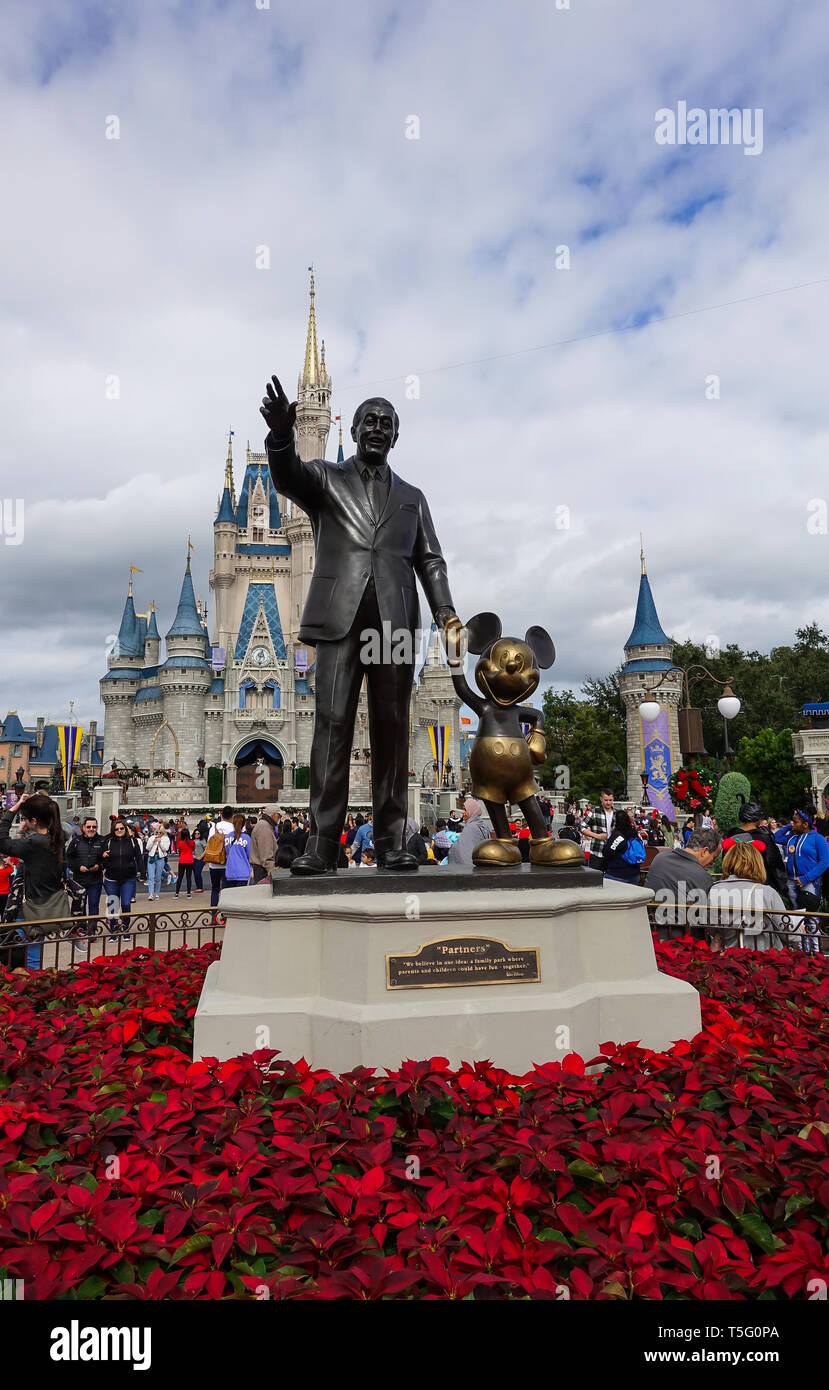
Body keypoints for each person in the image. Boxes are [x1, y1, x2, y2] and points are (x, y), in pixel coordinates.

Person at [263, 380, 458, 873]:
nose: (377, 428)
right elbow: (286, 479)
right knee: (331, 726)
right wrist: (283, 438)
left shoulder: (412, 497)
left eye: (386, 423)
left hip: (394, 623)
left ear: (396, 435)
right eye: (369, 420)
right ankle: (323, 845)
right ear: (350, 428)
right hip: (338, 619)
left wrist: (446, 613)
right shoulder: (327, 479)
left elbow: (430, 559)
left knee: (393, 731)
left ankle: (392, 841)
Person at [0, 793, 69, 930]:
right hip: (49, 903)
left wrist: (13, 809)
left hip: (31, 906)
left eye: (24, 818)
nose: (23, 822)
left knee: (28, 948)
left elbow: (2, 842)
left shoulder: (34, 842)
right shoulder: (57, 838)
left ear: (34, 821)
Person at [707, 840, 787, 952]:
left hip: (727, 958)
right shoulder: (768, 893)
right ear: (758, 863)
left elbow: (712, 929)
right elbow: (790, 935)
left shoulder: (715, 889)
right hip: (763, 958)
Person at [644, 827, 720, 939]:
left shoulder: (660, 858)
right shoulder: (703, 876)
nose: (712, 863)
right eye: (714, 858)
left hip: (651, 931)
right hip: (684, 939)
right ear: (704, 851)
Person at [775, 808, 829, 954]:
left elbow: (824, 862)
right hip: (792, 882)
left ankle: (817, 952)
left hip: (809, 883)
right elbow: (776, 837)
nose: (793, 823)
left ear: (805, 824)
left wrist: (806, 878)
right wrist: (789, 826)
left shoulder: (817, 839)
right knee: (798, 917)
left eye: (795, 821)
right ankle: (804, 950)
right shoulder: (791, 837)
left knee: (812, 917)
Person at [727, 802, 788, 900]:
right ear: (758, 818)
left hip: (735, 885)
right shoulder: (764, 837)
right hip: (760, 884)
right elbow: (774, 862)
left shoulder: (732, 836)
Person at [101, 817, 143, 931]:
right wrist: (103, 856)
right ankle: (113, 929)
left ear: (125, 829)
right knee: (113, 905)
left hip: (128, 878)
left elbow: (139, 857)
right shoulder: (108, 841)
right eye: (116, 829)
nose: (119, 830)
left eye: (121, 828)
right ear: (113, 830)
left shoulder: (133, 841)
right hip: (111, 879)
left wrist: (143, 873)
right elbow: (101, 859)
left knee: (125, 904)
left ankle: (125, 927)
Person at [66, 815, 106, 920]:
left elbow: (106, 859)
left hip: (95, 880)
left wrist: (99, 866)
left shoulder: (102, 841)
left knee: (93, 906)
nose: (91, 829)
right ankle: (82, 929)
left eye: (94, 827)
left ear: (97, 828)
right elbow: (69, 859)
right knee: (81, 907)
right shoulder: (76, 841)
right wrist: (78, 868)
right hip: (79, 880)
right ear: (83, 828)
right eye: (89, 827)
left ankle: (92, 931)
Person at [602, 810, 647, 884]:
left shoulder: (618, 836)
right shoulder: (634, 833)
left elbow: (607, 852)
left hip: (618, 875)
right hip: (634, 875)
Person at [447, 799, 491, 868]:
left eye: (465, 810)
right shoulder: (482, 825)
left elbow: (461, 851)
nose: (463, 812)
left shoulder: (471, 827)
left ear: (472, 810)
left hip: (470, 868)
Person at [582, 788, 615, 870]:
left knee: (611, 881)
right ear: (601, 799)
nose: (608, 803)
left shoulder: (617, 813)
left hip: (612, 853)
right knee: (595, 879)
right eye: (606, 800)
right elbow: (582, 827)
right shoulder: (594, 812)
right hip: (597, 852)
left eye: (610, 800)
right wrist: (596, 835)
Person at [250, 805, 280, 883]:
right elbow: (266, 855)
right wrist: (272, 872)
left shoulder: (264, 825)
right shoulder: (264, 827)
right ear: (274, 815)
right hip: (263, 870)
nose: (279, 818)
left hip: (261, 868)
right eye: (278, 815)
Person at [223, 814, 252, 888]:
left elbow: (227, 851)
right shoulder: (246, 838)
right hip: (243, 871)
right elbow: (250, 855)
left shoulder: (228, 836)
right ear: (244, 824)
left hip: (230, 871)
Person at [145, 822, 170, 901]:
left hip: (160, 858)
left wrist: (160, 842)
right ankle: (151, 894)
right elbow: (147, 848)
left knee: (158, 877)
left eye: (160, 832)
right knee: (151, 876)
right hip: (152, 857)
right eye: (157, 832)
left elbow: (165, 849)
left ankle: (157, 894)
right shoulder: (152, 837)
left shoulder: (166, 839)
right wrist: (153, 842)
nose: (158, 834)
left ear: (163, 833)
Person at [174, 827, 195, 897]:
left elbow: (179, 850)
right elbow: (193, 849)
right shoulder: (192, 842)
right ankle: (188, 893)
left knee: (180, 877)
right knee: (189, 877)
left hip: (182, 860)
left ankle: (177, 893)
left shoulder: (180, 842)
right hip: (190, 860)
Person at [192, 828, 206, 892]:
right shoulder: (192, 840)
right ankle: (198, 887)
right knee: (195, 873)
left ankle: (200, 887)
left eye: (198, 833)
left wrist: (201, 857)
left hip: (201, 859)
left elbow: (206, 849)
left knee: (198, 872)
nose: (196, 835)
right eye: (195, 833)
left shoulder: (202, 840)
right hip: (193, 858)